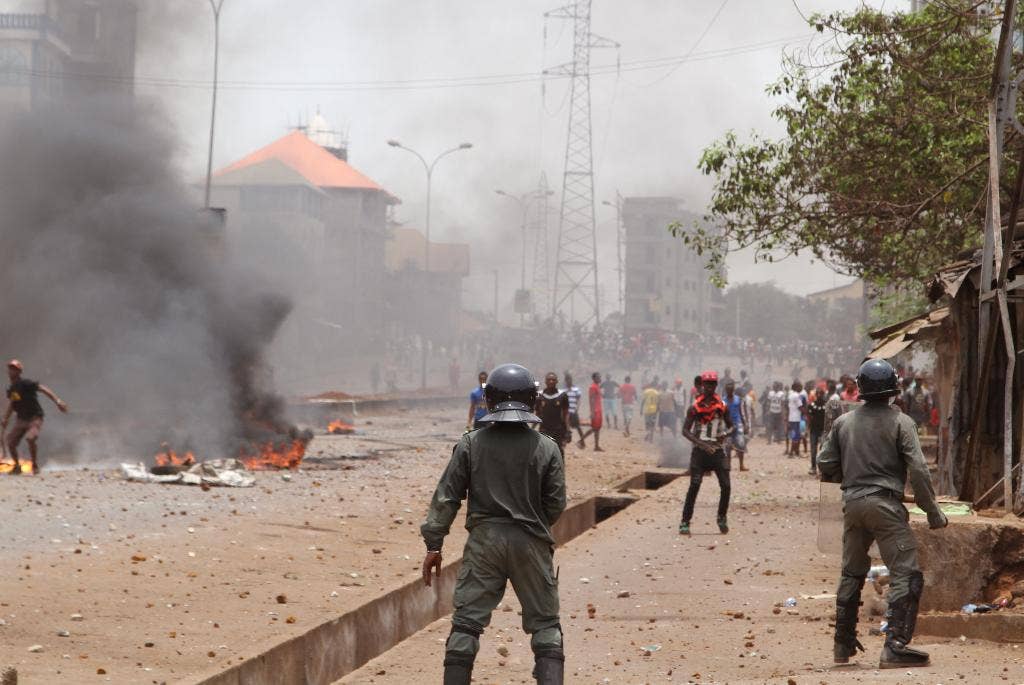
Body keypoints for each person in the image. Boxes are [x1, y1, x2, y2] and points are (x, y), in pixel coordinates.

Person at [421, 363, 566, 685]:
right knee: (545, 626)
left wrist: (434, 544)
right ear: (533, 399)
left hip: (484, 544)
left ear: (489, 400)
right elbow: (556, 505)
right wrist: (532, 524)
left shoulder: (470, 444)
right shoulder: (548, 447)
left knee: (466, 625)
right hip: (531, 541)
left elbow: (447, 497)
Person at [817, 359, 948, 669]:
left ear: (860, 390)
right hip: (886, 505)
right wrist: (932, 512)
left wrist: (852, 475)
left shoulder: (843, 423)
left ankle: (842, 645)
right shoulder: (901, 423)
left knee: (852, 573)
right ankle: (895, 646)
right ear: (893, 390)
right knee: (907, 574)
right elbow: (917, 469)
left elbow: (825, 465)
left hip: (853, 505)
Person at [679, 371, 734, 535]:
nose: (709, 387)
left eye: (712, 384)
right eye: (707, 384)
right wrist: (701, 444)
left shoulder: (722, 406)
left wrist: (725, 434)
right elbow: (685, 430)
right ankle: (685, 521)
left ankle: (721, 517)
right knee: (694, 485)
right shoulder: (694, 408)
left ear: (716, 386)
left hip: (717, 450)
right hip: (700, 451)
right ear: (702, 385)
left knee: (726, 485)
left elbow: (732, 426)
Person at [2, 359, 68, 475]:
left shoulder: (26, 384)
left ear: (19, 372)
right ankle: (17, 466)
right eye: (10, 369)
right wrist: (5, 419)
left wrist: (57, 401)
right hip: (21, 419)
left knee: (30, 438)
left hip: (34, 418)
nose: (11, 371)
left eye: (14, 369)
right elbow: (12, 404)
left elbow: (42, 389)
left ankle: (34, 464)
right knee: (10, 441)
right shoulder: (12, 389)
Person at [535, 372, 570, 459]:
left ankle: (559, 471)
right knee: (544, 452)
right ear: (545, 381)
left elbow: (566, 415)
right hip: (544, 429)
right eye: (549, 380)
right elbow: (537, 414)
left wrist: (568, 431)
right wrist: (532, 428)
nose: (551, 381)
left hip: (558, 429)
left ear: (557, 381)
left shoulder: (562, 395)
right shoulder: (540, 396)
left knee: (558, 451)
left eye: (553, 380)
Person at [722, 380, 749, 471]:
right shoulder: (723, 401)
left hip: (738, 425)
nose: (729, 391)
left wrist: (745, 424)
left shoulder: (738, 400)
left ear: (733, 390)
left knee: (740, 444)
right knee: (728, 446)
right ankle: (728, 465)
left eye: (731, 389)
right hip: (727, 426)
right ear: (726, 390)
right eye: (728, 389)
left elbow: (742, 413)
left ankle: (741, 465)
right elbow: (721, 414)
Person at [577, 372, 604, 452]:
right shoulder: (592, 387)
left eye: (600, 377)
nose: (600, 378)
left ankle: (596, 446)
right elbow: (591, 399)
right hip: (595, 410)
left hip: (598, 410)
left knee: (597, 428)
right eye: (598, 377)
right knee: (594, 428)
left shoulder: (597, 386)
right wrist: (592, 412)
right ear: (594, 378)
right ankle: (581, 440)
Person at [807, 386, 828, 475]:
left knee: (823, 449)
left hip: (823, 430)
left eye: (821, 393)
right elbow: (810, 418)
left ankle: (821, 469)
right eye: (818, 393)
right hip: (813, 430)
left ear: (823, 395)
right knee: (813, 450)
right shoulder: (811, 405)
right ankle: (813, 467)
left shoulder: (827, 405)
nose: (819, 395)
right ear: (815, 395)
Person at [785, 381, 806, 457]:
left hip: (791, 417)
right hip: (796, 418)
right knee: (796, 436)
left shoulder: (790, 395)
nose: (801, 388)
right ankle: (791, 453)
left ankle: (796, 452)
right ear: (796, 387)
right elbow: (800, 407)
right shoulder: (797, 396)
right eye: (800, 386)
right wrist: (807, 413)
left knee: (794, 435)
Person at [563, 373, 584, 446]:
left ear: (571, 380)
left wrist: (576, 409)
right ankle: (565, 441)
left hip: (574, 411)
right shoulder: (564, 390)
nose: (569, 381)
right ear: (565, 381)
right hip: (567, 411)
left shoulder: (576, 389)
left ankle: (582, 440)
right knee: (565, 426)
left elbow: (578, 400)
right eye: (567, 380)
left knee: (578, 427)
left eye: (570, 379)